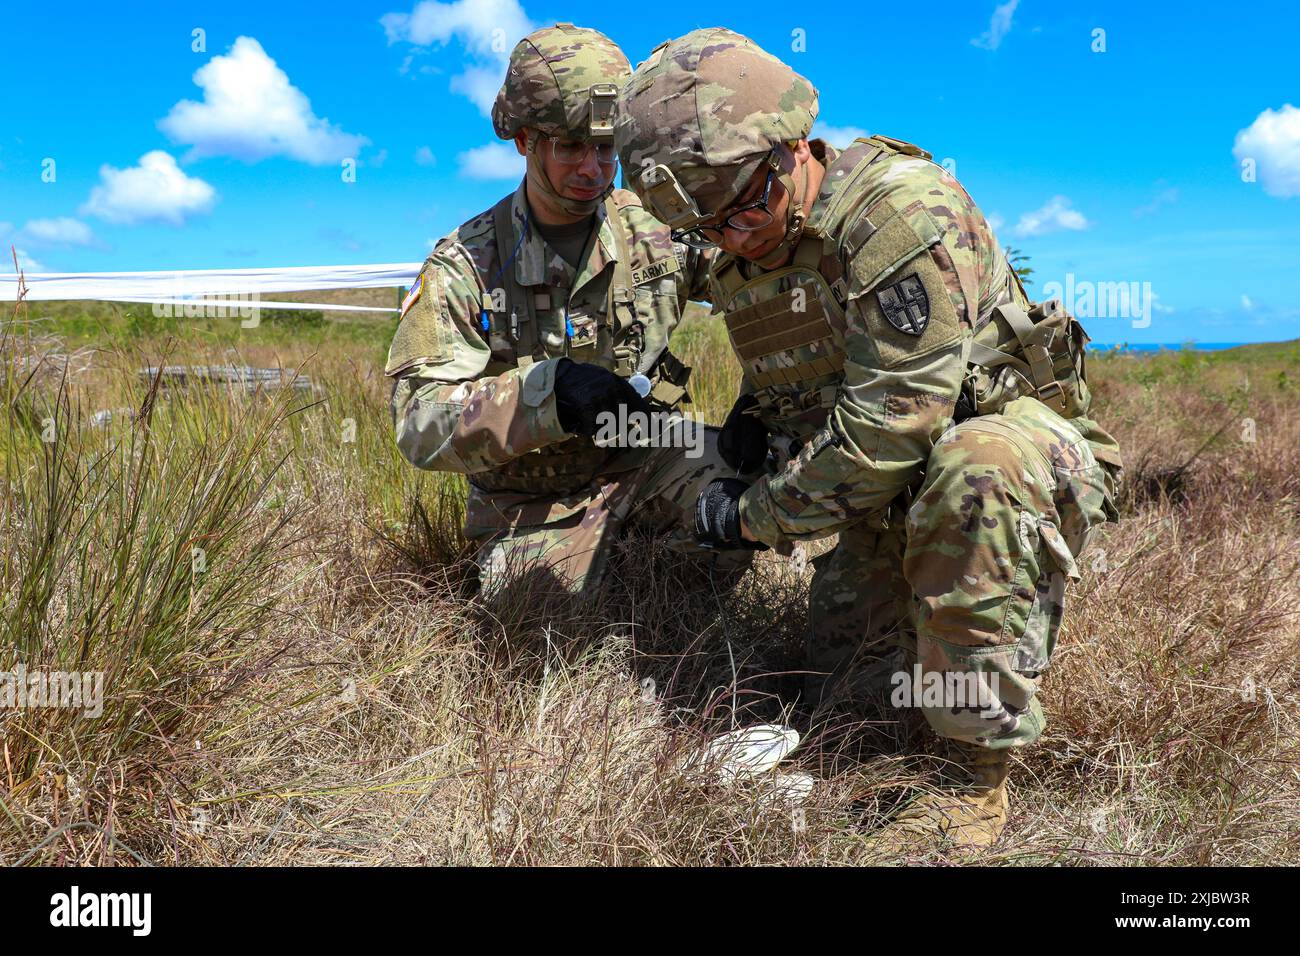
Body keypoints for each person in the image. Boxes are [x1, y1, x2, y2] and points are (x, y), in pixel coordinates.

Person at [614, 27, 1123, 851]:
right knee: (855, 720)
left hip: (1000, 461)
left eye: (746, 209)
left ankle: (971, 783)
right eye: (710, 227)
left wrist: (748, 518)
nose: (735, 238)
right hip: (878, 496)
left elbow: (889, 432)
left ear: (792, 149)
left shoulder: (900, 214)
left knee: (976, 468)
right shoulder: (731, 226)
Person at [385, 24, 749, 598]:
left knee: (743, 493)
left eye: (606, 148)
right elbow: (417, 422)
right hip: (529, 498)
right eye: (570, 147)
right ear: (525, 140)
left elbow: (750, 281)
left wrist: (763, 396)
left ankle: (667, 587)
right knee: (537, 617)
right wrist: (544, 396)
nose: (593, 169)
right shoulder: (468, 263)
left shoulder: (656, 227)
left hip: (645, 454)